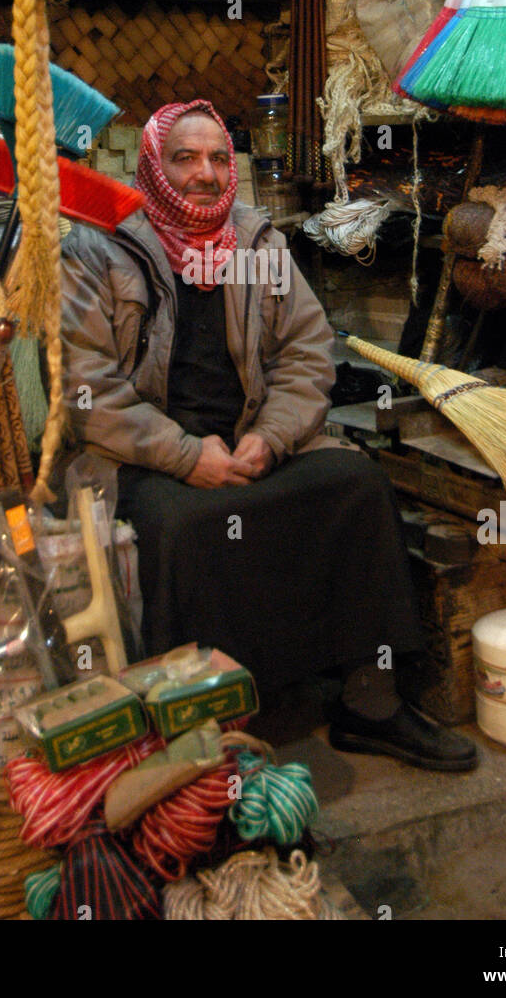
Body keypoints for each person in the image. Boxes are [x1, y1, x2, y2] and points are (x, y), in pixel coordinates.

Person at [61, 99, 477, 771]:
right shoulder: (99, 246)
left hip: (252, 442)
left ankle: (371, 704)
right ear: (151, 166)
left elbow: (306, 356)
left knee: (357, 485)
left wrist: (273, 438)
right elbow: (88, 391)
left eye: (218, 158)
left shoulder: (257, 243)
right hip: (143, 456)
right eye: (185, 158)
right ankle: (203, 732)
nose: (204, 174)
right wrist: (188, 455)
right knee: (180, 527)